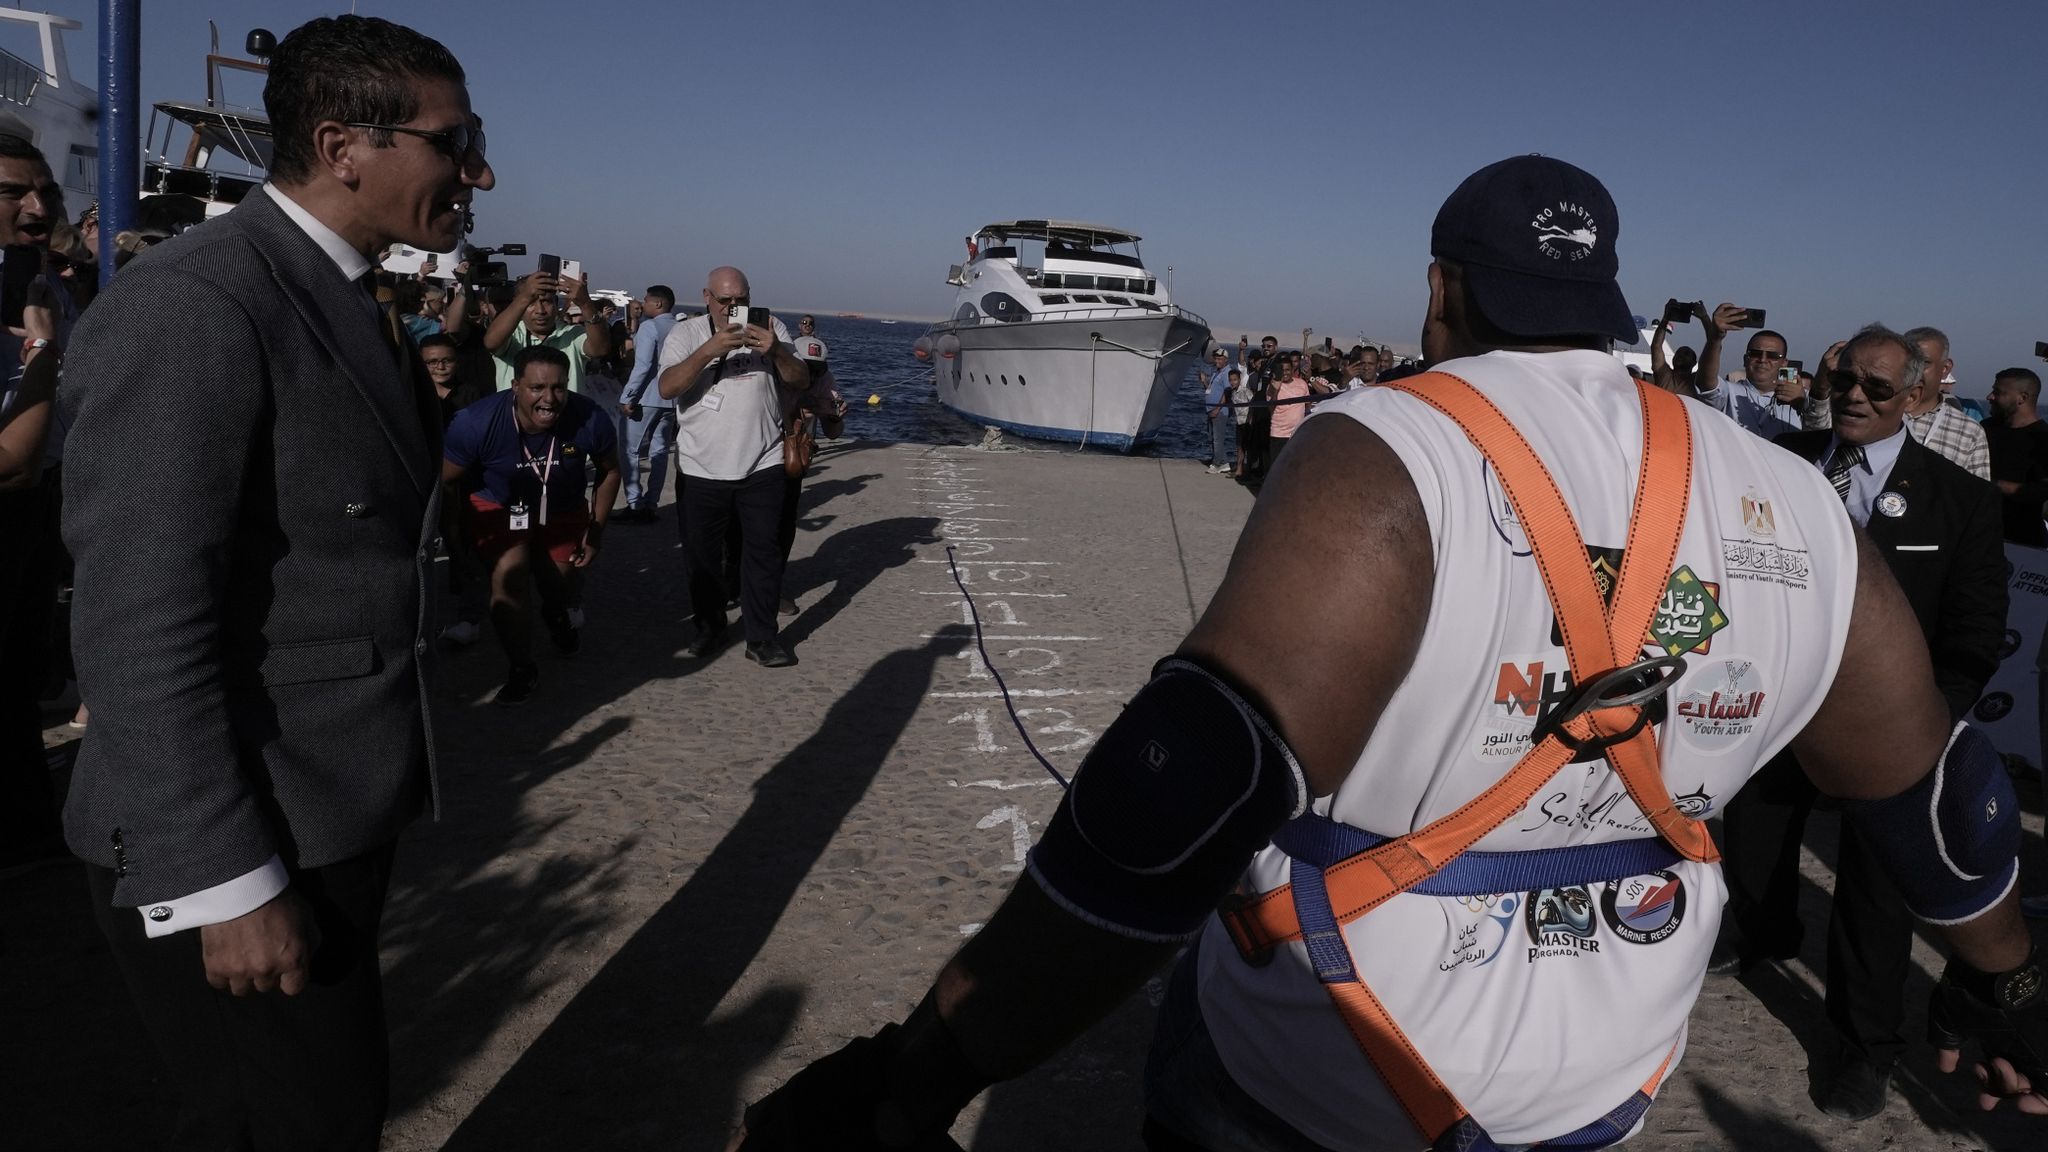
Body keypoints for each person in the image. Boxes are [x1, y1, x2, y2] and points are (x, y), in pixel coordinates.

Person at [731, 156, 2048, 1152]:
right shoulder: (1795, 500)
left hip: (1325, 1074)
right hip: (1600, 1084)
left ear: (1441, 291)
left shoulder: (1386, 447)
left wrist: (923, 1075)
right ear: (1608, 300)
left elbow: (1174, 802)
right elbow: (1942, 807)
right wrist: (2004, 987)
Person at [57, 17, 493, 1149]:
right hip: (244, 834)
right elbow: (139, 619)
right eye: (454, 142)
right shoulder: (201, 302)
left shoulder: (334, 289)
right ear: (345, 145)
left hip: (320, 806)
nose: (478, 171)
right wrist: (225, 881)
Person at [1714, 327, 2008, 1119]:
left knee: (1873, 901)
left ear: (1917, 396)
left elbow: (1977, 630)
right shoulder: (1780, 467)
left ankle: (1863, 1047)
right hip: (1777, 716)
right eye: (1846, 379)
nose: (1853, 396)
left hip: (1889, 738)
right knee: (1750, 850)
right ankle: (1765, 933)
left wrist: (1921, 730)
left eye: (1878, 388)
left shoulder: (1961, 499)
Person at [442, 345, 618, 702]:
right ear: (516, 387)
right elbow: (447, 482)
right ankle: (522, 666)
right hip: (500, 505)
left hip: (563, 509)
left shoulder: (590, 418)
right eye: (537, 388)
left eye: (558, 387)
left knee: (558, 586)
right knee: (511, 579)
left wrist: (596, 531)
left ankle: (556, 616)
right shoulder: (476, 423)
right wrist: (454, 537)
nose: (549, 399)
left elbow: (610, 470)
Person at [657, 265, 809, 668]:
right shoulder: (685, 333)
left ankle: (762, 638)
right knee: (702, 558)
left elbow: (800, 379)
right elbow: (667, 386)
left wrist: (775, 350)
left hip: (763, 461)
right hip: (701, 464)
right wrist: (711, 350)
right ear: (707, 297)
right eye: (724, 301)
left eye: (740, 299)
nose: (733, 308)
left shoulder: (771, 326)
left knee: (764, 552)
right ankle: (710, 628)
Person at [0, 132, 62, 868]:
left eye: (43, 187)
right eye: (13, 191)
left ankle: (25, 825)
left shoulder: (48, 289)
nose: (37, 206)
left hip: (40, 509)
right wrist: (44, 357)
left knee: (18, 676)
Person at [1672, 303, 1808, 439]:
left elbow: (1822, 429)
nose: (1763, 359)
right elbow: (1706, 381)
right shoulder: (1729, 393)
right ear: (1745, 359)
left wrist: (1804, 405)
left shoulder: (1801, 398)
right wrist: (1715, 339)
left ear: (1784, 363)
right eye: (1755, 353)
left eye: (1772, 356)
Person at [482, 264, 611, 393]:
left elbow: (600, 349)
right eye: (531, 303)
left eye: (547, 302)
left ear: (556, 304)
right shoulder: (511, 335)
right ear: (520, 304)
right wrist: (525, 295)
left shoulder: (572, 334)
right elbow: (491, 342)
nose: (540, 311)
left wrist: (585, 303)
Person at [615, 283, 680, 523]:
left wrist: (628, 396)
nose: (643, 304)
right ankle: (652, 503)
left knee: (630, 450)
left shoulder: (649, 327)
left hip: (646, 397)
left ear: (659, 303)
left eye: (646, 300)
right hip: (671, 398)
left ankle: (635, 504)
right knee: (660, 452)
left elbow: (643, 366)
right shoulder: (680, 328)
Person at [1983, 368, 2048, 546]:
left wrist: (1993, 484)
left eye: (1998, 392)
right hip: (1977, 534)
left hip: (2021, 540)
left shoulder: (2042, 440)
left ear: (2023, 398)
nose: (1990, 397)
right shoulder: (1984, 429)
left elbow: (2041, 491)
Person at [1202, 348, 1234, 473]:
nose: (1217, 361)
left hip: (1219, 411)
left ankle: (1216, 464)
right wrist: (1204, 381)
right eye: (1216, 358)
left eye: (1220, 359)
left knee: (1217, 438)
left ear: (1226, 360)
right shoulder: (1217, 372)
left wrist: (1217, 408)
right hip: (1210, 409)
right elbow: (1210, 389)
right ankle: (1224, 462)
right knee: (1212, 437)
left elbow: (1227, 392)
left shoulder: (1227, 372)